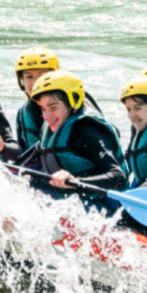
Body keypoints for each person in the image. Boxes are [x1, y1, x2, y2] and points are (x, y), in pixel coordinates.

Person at [25, 70, 127, 213]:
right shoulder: (51, 131)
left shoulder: (87, 131)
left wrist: (76, 181)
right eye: (43, 109)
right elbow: (24, 166)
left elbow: (118, 177)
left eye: (53, 107)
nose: (47, 116)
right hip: (73, 199)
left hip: (106, 206)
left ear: (73, 102)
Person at [13, 46, 107, 151]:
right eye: (29, 77)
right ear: (21, 81)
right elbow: (23, 154)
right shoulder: (23, 114)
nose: (36, 83)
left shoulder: (73, 104)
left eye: (42, 76)